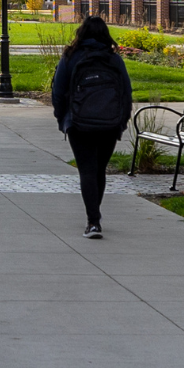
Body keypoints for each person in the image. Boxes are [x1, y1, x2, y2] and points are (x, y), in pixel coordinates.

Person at [51, 16, 133, 239]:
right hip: (109, 124)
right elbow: (126, 93)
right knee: (99, 171)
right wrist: (121, 121)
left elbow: (58, 93)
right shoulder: (114, 60)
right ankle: (94, 214)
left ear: (81, 33)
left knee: (87, 170)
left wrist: (63, 119)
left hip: (78, 123)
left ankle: (93, 221)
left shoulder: (70, 57)